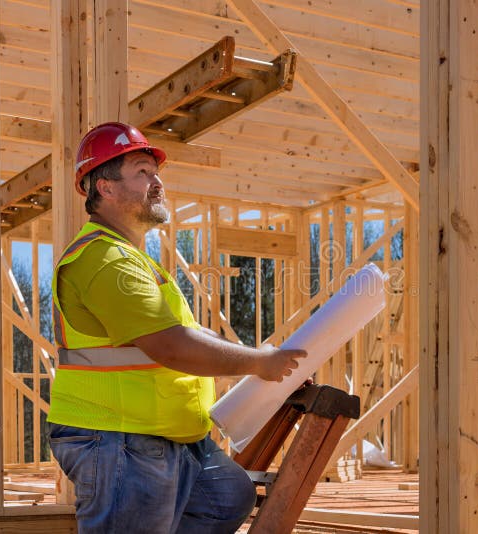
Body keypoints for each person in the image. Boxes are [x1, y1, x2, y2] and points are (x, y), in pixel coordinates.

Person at [46, 122, 306, 534]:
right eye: (141, 172)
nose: (157, 182)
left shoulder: (136, 261)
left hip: (165, 435)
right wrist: (260, 364)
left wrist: (261, 360)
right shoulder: (106, 260)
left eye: (154, 171)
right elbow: (171, 346)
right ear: (105, 188)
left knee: (227, 498)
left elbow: (188, 335)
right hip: (118, 436)